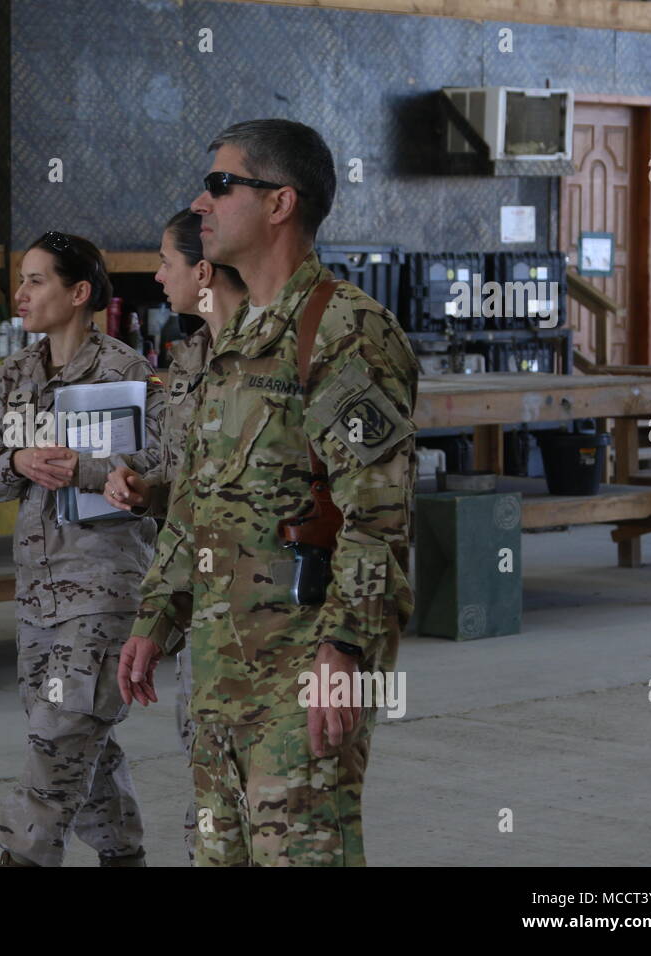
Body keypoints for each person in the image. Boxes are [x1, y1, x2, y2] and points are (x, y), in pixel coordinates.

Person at [117, 119, 420, 866]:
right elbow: (199, 494)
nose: (201, 202)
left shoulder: (342, 329)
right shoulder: (237, 335)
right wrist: (159, 612)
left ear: (280, 203)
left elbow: (377, 514)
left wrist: (347, 650)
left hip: (302, 670)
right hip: (222, 674)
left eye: (221, 184)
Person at [0, 231, 165, 867]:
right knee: (81, 738)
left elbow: (164, 466)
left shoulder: (128, 374)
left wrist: (82, 468)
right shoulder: (16, 374)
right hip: (37, 591)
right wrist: (19, 458)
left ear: (79, 293)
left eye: (36, 281)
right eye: (21, 280)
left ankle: (20, 857)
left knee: (58, 741)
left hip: (105, 586)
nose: (20, 294)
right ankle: (123, 855)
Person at [101, 208, 246, 862]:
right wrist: (150, 490)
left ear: (205, 270)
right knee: (212, 809)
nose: (157, 275)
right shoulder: (189, 362)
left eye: (166, 262)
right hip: (205, 621)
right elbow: (197, 494)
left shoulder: (280, 357)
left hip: (273, 625)